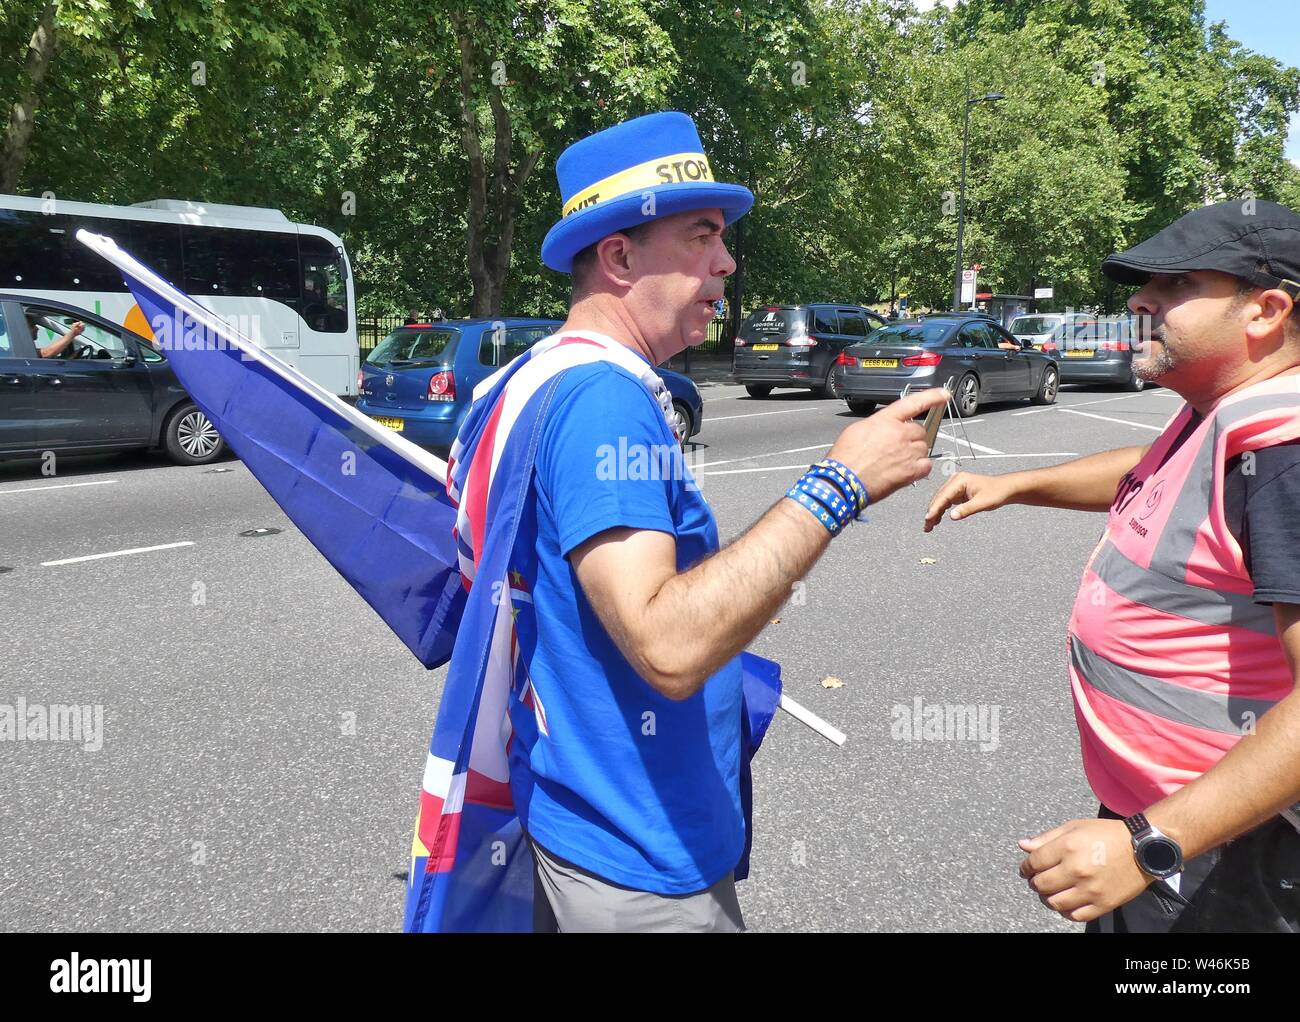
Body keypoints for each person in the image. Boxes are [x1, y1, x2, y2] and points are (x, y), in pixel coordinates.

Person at [450, 111, 946, 933]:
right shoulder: (604, 401)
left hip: (572, 804)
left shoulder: (526, 378)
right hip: (637, 851)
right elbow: (668, 644)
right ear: (617, 256)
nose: (728, 260)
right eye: (702, 235)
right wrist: (841, 483)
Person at [925, 199, 1300, 932]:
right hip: (1174, 821)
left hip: (1230, 852)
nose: (1139, 302)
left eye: (1177, 287)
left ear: (1266, 311)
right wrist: (1016, 484)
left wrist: (1150, 845)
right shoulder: (1218, 414)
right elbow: (1150, 469)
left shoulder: (1281, 457)